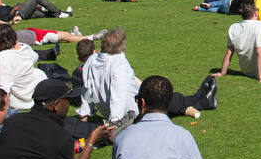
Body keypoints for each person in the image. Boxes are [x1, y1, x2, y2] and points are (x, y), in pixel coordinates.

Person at [83, 28, 217, 123]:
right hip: (133, 113)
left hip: (118, 110)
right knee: (171, 98)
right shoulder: (119, 64)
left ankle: (201, 96)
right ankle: (205, 101)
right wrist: (115, 124)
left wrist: (84, 116)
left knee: (160, 92)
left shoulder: (91, 61)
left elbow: (87, 92)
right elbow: (117, 97)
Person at [0, 23, 47, 111]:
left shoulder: (2, 57)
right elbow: (35, 57)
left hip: (20, 99)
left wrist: (3, 110)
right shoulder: (24, 47)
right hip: (34, 90)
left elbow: (3, 88)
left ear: (2, 40)